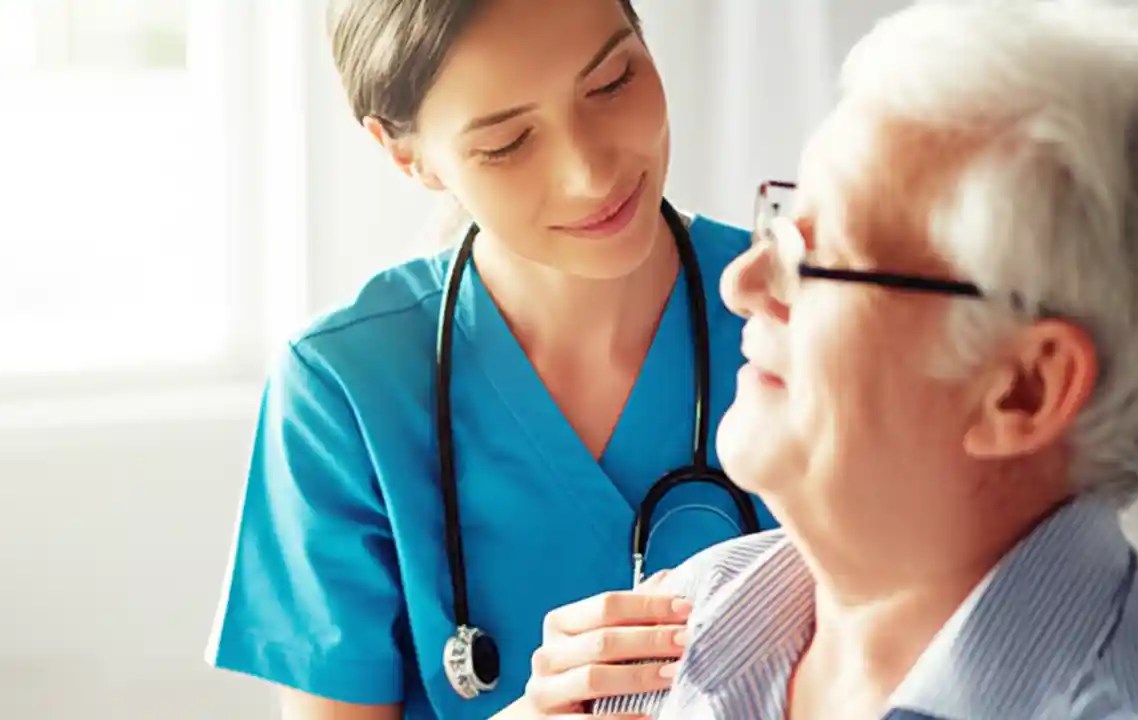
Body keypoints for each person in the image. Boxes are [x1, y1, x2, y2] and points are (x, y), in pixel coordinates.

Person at [204, 1, 780, 718]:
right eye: (508, 143)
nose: (589, 173)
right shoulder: (345, 392)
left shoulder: (806, 311)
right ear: (405, 153)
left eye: (611, 83)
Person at [600, 1, 1138, 718]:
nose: (740, 284)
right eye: (781, 223)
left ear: (1020, 389)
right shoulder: (661, 636)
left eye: (819, 254)